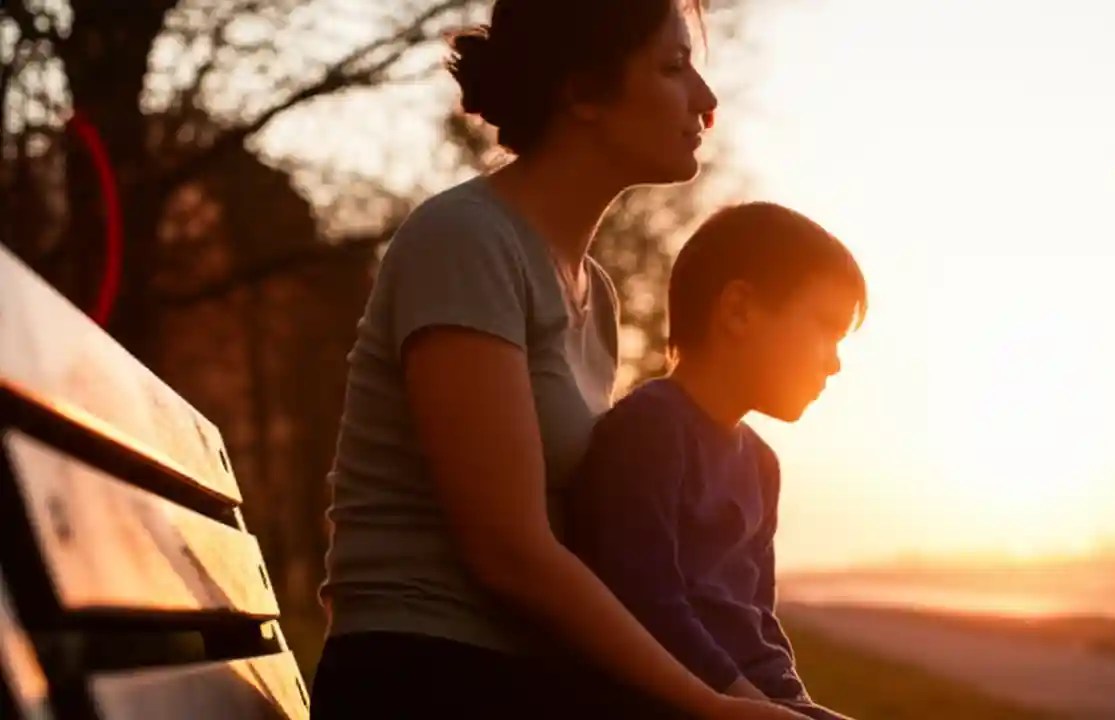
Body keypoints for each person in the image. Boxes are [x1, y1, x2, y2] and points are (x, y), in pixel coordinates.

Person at [308, 0, 812, 717]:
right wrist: (706, 704)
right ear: (581, 92)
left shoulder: (592, 294)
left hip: (523, 678)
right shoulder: (466, 241)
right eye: (673, 68)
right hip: (427, 673)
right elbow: (508, 549)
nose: (705, 100)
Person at [568, 202, 869, 720]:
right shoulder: (650, 430)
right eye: (825, 328)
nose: (835, 362)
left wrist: (797, 705)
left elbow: (758, 625)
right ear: (738, 311)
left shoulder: (761, 466)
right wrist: (749, 705)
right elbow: (648, 605)